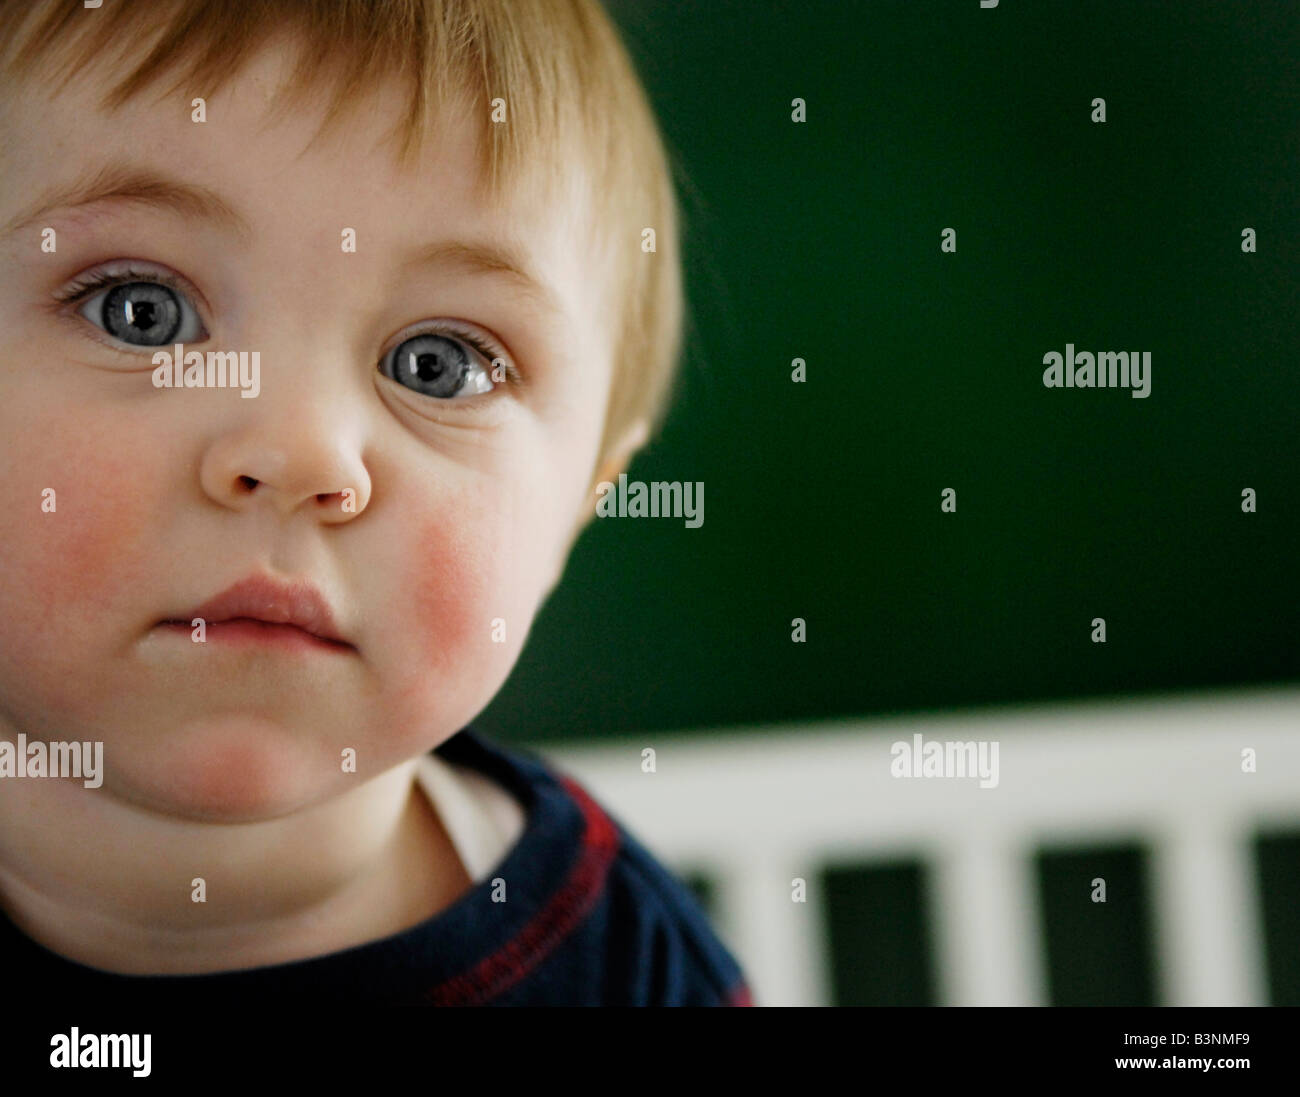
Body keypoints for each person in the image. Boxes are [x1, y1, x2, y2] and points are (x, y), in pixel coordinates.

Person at [0, 0, 750, 1006]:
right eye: (142, 310)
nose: (301, 451)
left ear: (579, 507)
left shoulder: (629, 971)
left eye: (437, 366)